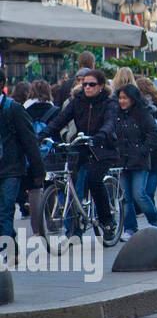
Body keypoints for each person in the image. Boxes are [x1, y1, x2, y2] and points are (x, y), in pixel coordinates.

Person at [46, 68, 116, 228]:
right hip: (82, 146)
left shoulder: (109, 103)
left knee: (94, 180)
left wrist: (101, 135)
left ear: (101, 86)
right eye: (85, 84)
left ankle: (107, 222)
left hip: (103, 148)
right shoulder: (77, 101)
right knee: (69, 179)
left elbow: (110, 122)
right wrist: (44, 134)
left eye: (92, 84)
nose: (87, 87)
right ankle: (74, 230)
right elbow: (60, 120)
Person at [108, 83, 157, 238]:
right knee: (125, 198)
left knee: (139, 194)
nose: (122, 101)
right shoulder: (115, 114)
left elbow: (154, 133)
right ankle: (130, 228)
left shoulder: (143, 114)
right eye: (120, 98)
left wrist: (143, 150)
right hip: (121, 161)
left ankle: (155, 220)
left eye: (125, 98)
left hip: (139, 161)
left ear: (133, 99)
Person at [0, 68, 44, 252]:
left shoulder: (14, 108)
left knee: (5, 210)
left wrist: (38, 169)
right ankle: (12, 246)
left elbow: (29, 140)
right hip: (8, 167)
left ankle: (7, 250)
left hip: (11, 168)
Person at [136, 77, 157, 210]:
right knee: (155, 170)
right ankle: (150, 196)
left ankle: (144, 199)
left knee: (144, 171)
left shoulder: (137, 103)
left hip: (142, 142)